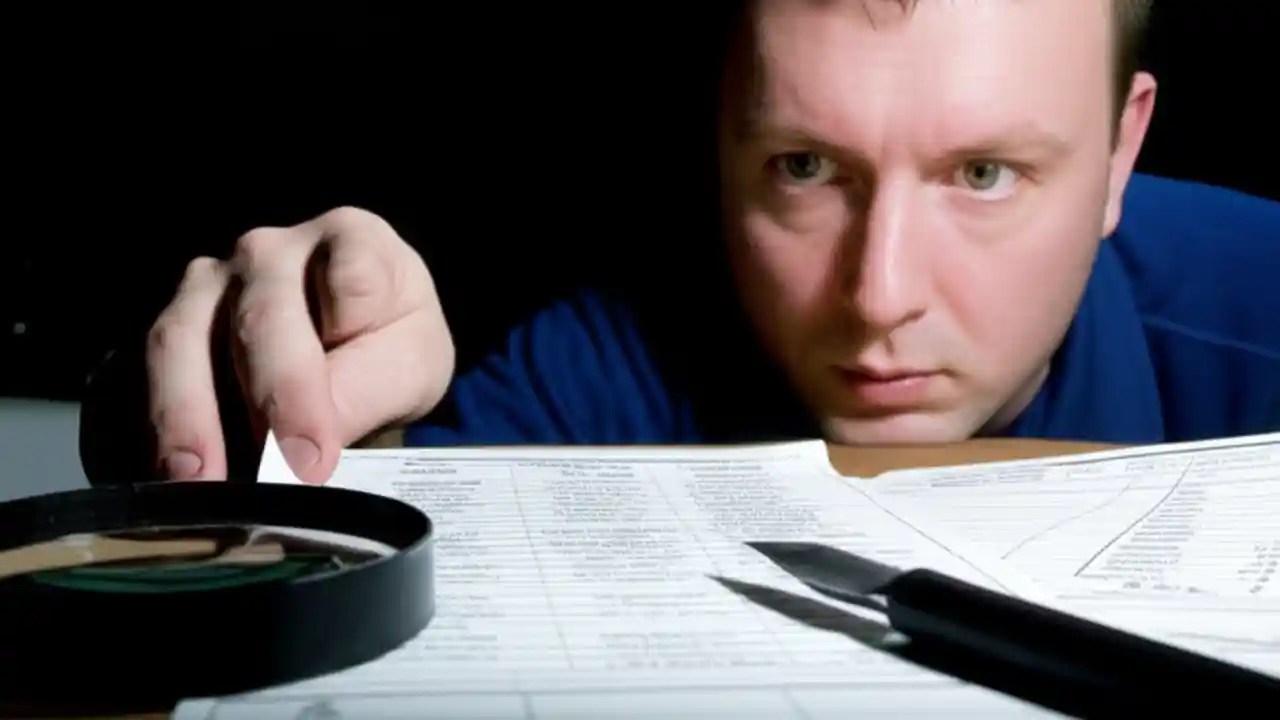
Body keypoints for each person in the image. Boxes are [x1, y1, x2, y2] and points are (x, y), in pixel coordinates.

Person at [93, 0, 1279, 486]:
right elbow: (370, 537)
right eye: (803, 168)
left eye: (981, 175)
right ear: (721, 137)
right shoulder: (601, 365)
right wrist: (281, 406)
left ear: (1119, 153)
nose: (877, 298)